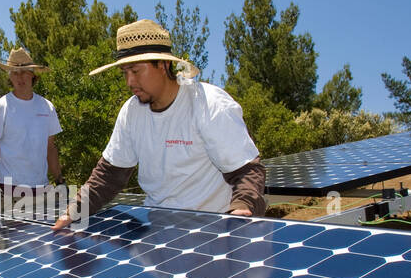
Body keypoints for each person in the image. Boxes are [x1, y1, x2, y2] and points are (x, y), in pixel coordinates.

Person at [52, 18, 266, 230]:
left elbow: (247, 171)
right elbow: (108, 175)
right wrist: (75, 209)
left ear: (163, 65)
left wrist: (242, 208)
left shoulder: (208, 104)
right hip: (158, 233)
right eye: (124, 73)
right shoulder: (132, 112)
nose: (129, 82)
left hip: (209, 231)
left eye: (135, 71)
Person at [0, 47, 65, 218]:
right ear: (10, 77)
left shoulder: (47, 107)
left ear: (33, 75)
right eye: (15, 72)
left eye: (24, 72)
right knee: (10, 244)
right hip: (8, 194)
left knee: (41, 244)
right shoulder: (0, 108)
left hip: (41, 193)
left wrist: (59, 180)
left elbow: (51, 148)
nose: (20, 77)